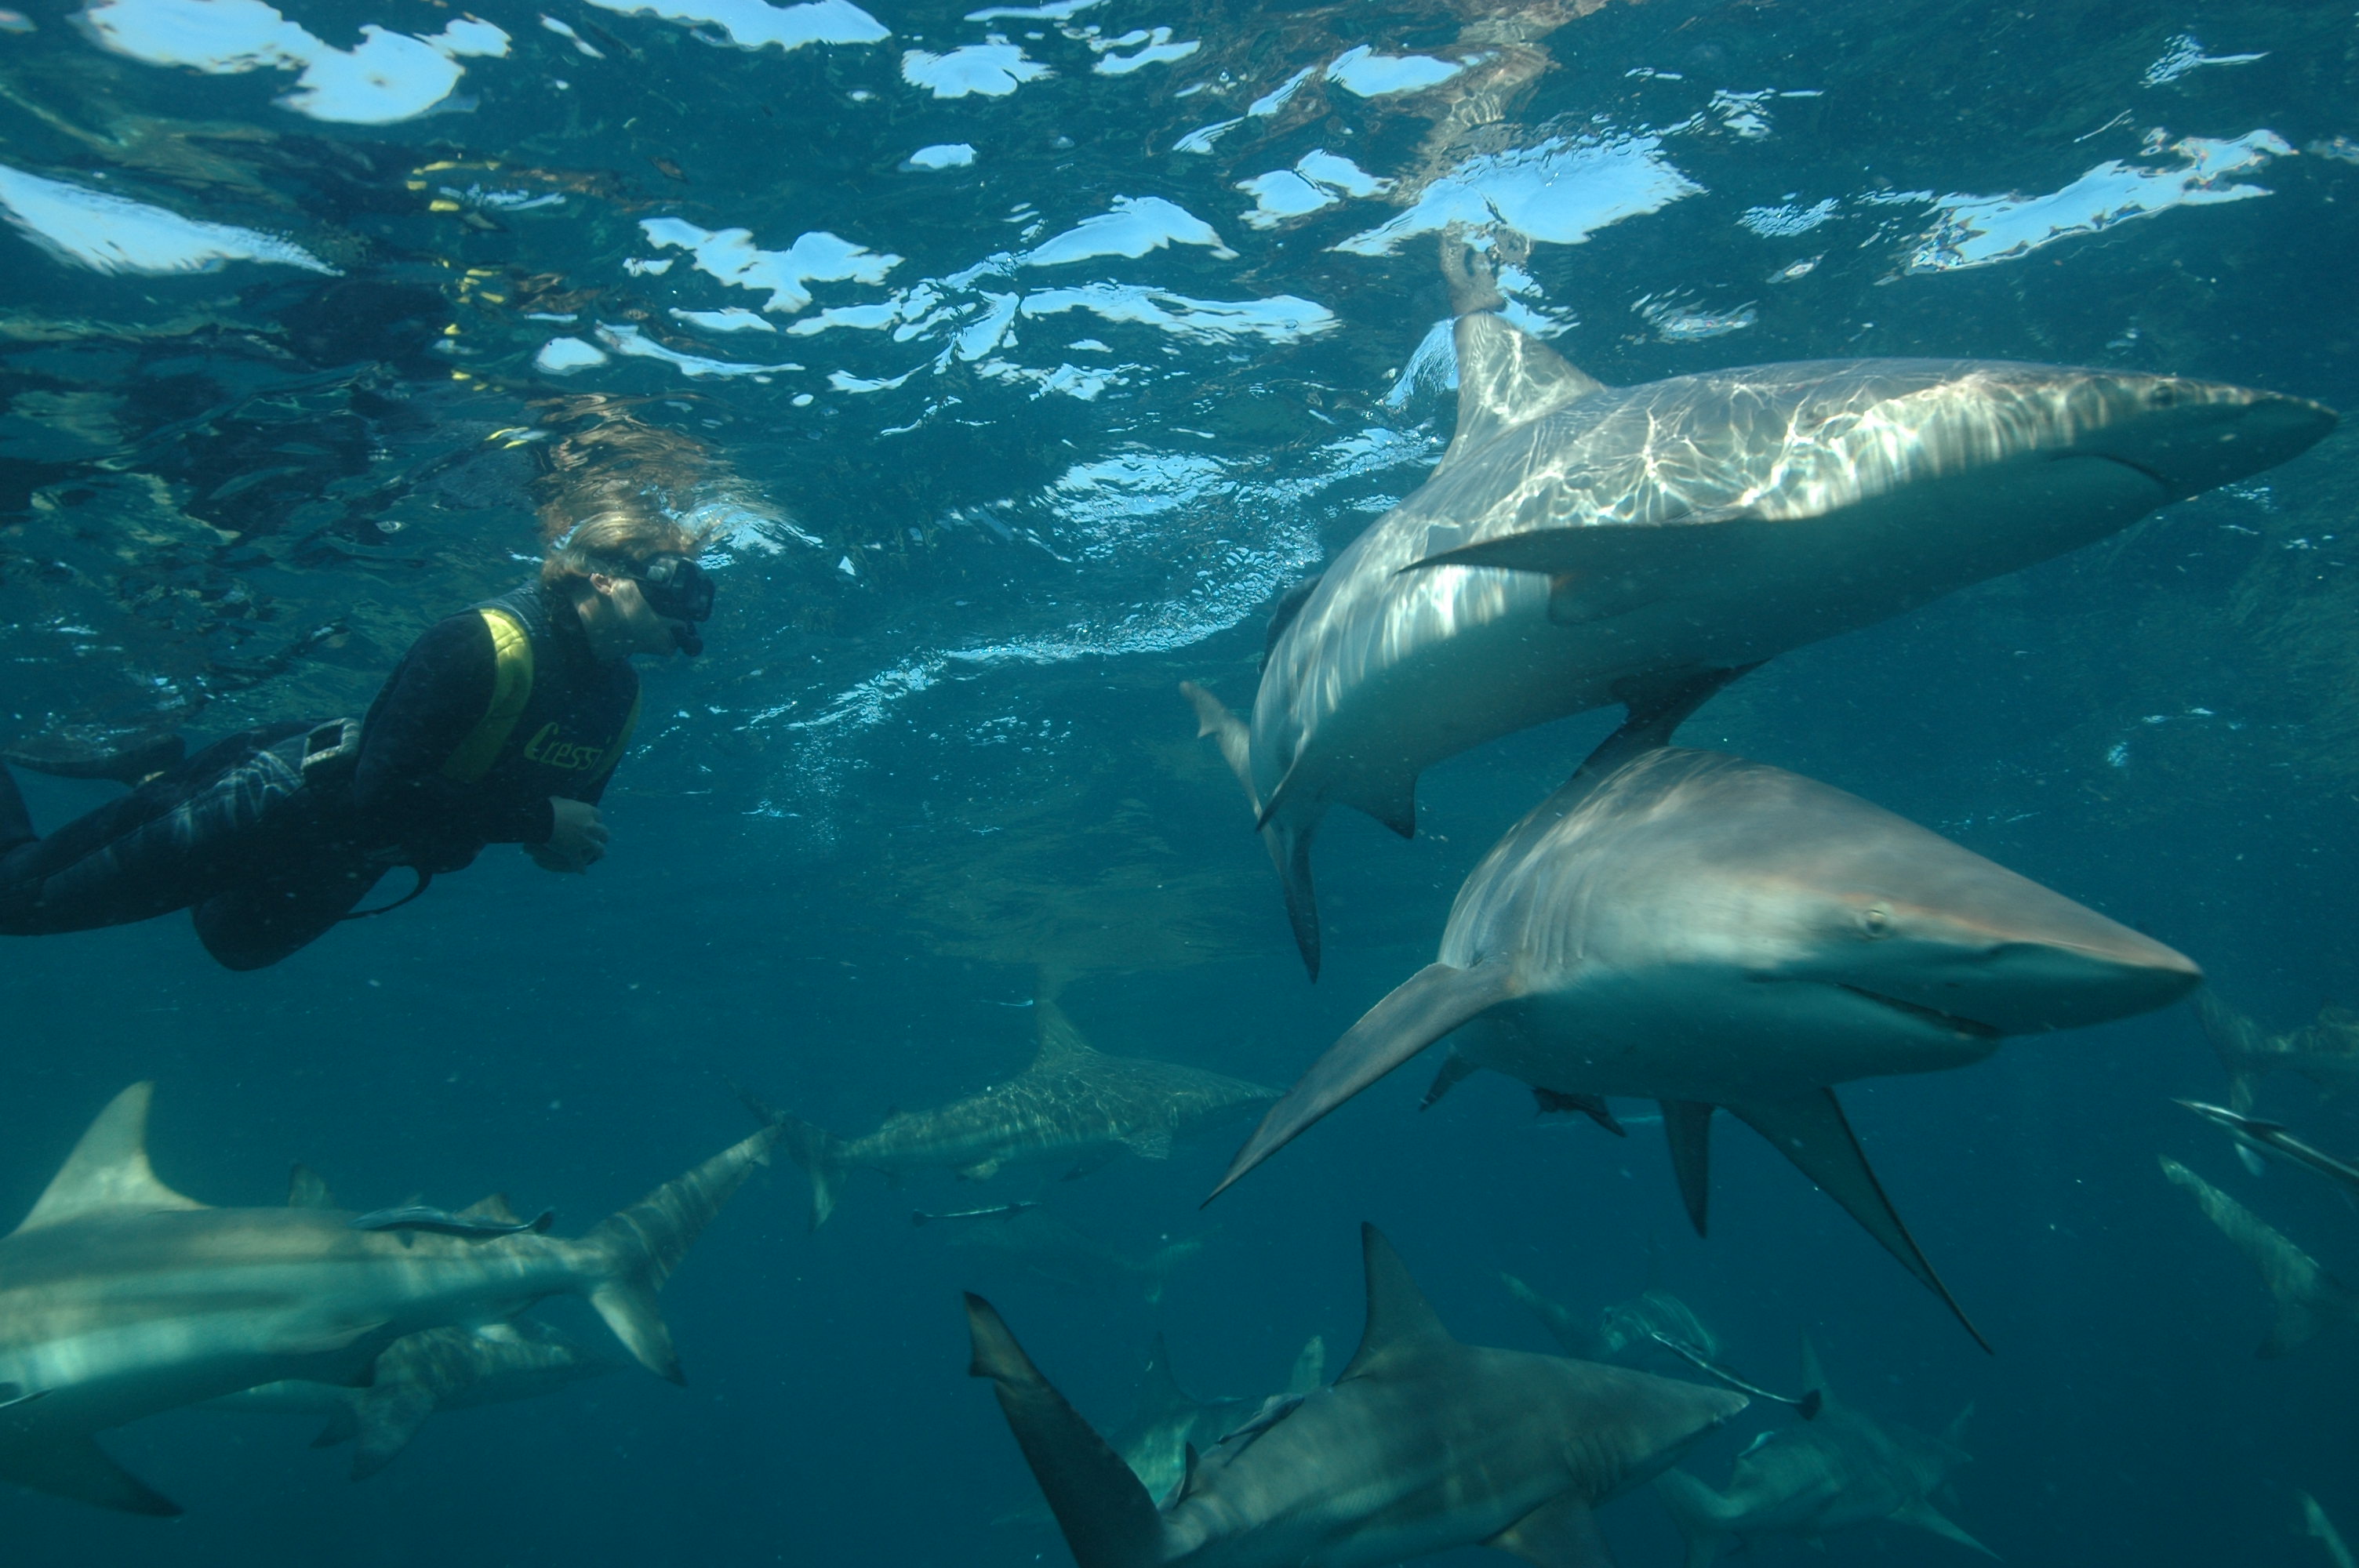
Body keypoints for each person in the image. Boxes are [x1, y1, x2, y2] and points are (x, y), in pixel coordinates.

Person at [0, 506, 714, 970]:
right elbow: (382, 789)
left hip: (359, 851)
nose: (690, 610)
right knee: (15, 898)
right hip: (286, 800)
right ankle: (181, 789)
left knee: (235, 943)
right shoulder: (477, 642)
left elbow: (563, 818)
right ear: (601, 575)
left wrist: (561, 842)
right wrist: (536, 823)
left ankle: (157, 779)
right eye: (673, 584)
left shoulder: (619, 699)